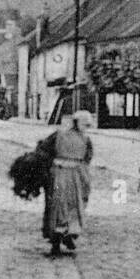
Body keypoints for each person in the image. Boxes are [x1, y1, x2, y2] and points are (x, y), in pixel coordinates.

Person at [38, 110, 94, 256]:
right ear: (76, 122)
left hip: (73, 175)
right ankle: (56, 241)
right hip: (61, 175)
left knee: (74, 205)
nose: (85, 127)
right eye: (84, 124)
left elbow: (87, 157)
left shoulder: (84, 138)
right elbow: (44, 150)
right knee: (59, 206)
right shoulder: (60, 135)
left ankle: (68, 236)